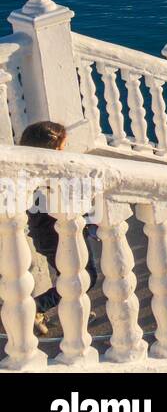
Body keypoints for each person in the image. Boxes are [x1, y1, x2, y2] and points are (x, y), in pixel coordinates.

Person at [19, 121, 99, 336]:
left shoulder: (31, 174)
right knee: (85, 276)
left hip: (47, 236)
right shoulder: (48, 177)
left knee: (72, 276)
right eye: (61, 149)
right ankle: (35, 307)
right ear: (49, 150)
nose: (64, 154)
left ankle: (68, 309)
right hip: (58, 235)